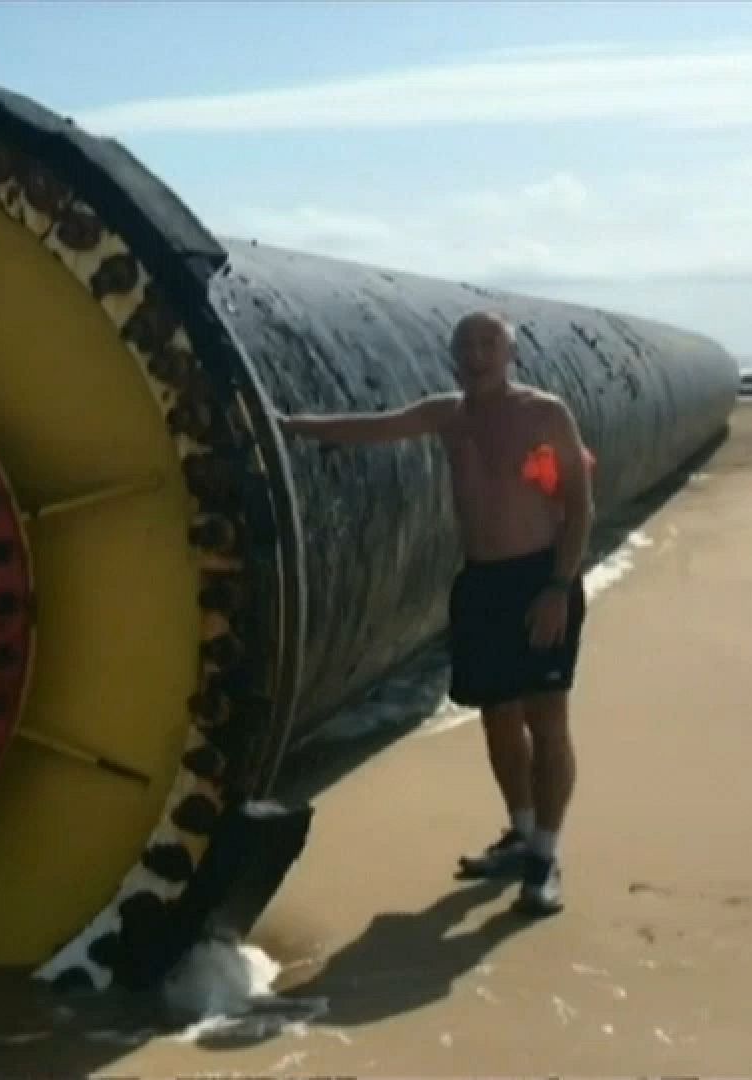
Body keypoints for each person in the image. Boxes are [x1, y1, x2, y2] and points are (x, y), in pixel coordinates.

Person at [277, 311, 594, 917]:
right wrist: (291, 425)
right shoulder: (448, 416)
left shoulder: (544, 412)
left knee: (546, 719)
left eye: (489, 342)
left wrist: (559, 586)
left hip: (539, 579)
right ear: (454, 356)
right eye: (467, 345)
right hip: (481, 584)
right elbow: (375, 428)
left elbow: (580, 505)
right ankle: (520, 833)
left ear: (509, 351)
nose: (477, 353)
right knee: (498, 718)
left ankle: (545, 858)